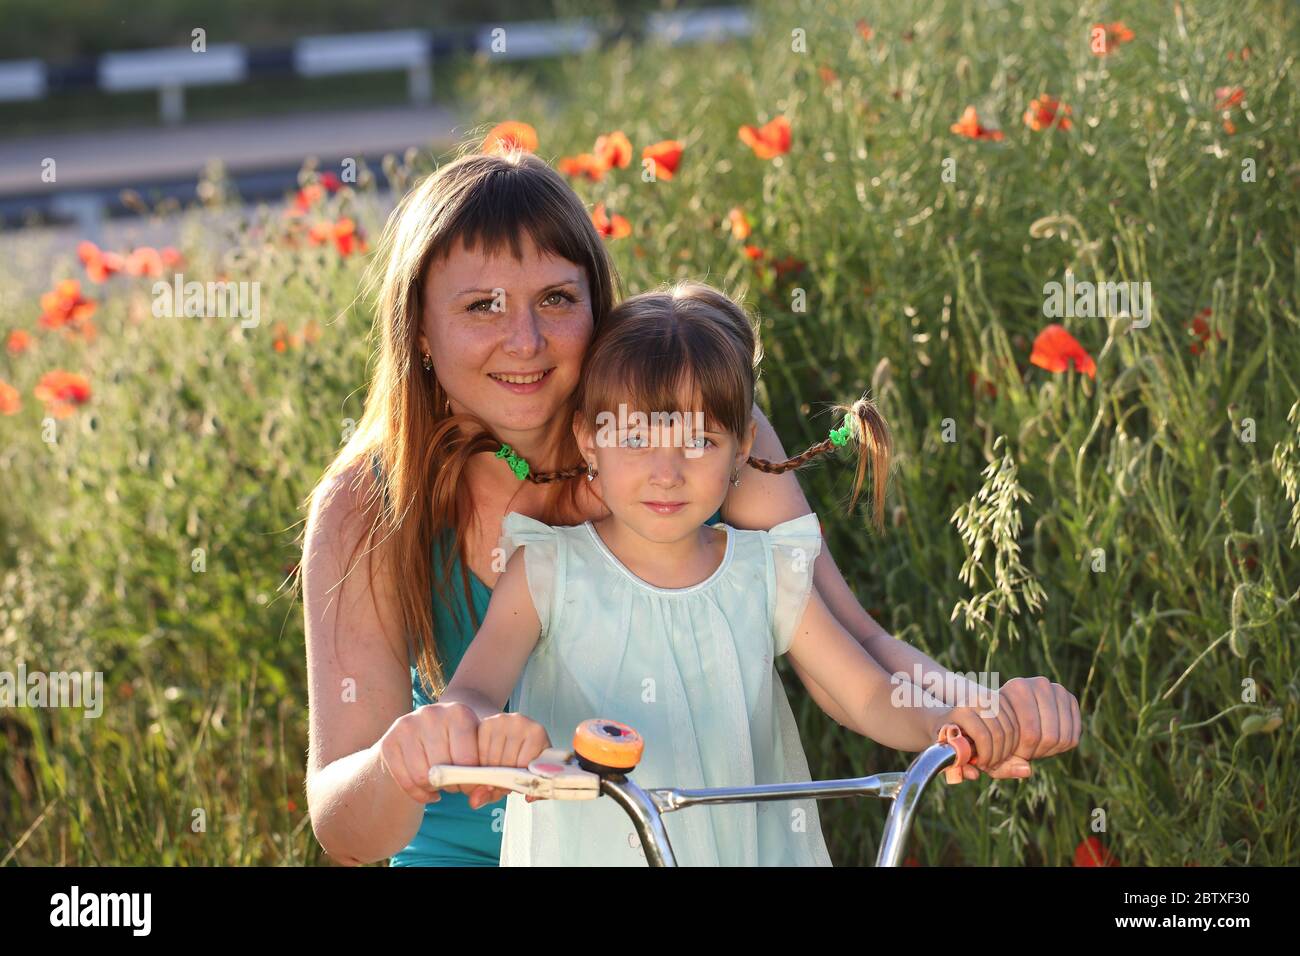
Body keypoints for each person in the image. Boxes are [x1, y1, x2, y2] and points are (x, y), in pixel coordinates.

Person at [301, 145, 1081, 867]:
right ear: (420, 331)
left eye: (556, 298)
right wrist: (406, 757)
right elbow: (347, 827)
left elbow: (859, 647)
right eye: (482, 308)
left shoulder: (701, 437)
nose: (528, 339)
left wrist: (982, 709)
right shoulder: (368, 505)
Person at [435, 281, 1029, 865]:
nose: (666, 473)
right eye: (636, 438)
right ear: (589, 438)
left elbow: (866, 693)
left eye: (698, 440)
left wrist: (940, 723)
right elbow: (473, 689)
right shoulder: (545, 570)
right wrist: (487, 727)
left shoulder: (763, 573)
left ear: (742, 445)